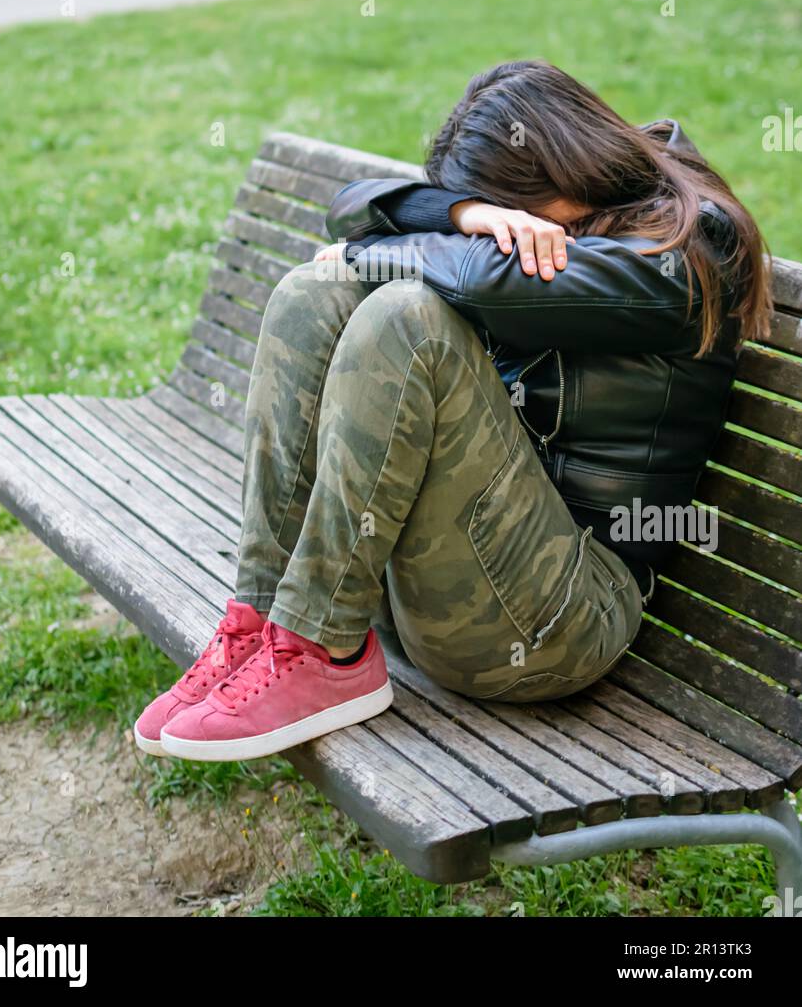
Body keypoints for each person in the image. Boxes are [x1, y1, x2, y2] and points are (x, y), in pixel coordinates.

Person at [134, 60, 771, 762]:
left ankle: (321, 647)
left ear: (557, 169)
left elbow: (481, 280)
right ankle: (262, 625)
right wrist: (464, 214)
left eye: (505, 213)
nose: (498, 236)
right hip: (451, 576)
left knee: (408, 317)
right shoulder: (581, 201)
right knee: (311, 292)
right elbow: (351, 207)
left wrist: (378, 251)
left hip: (557, 620)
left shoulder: (691, 248)